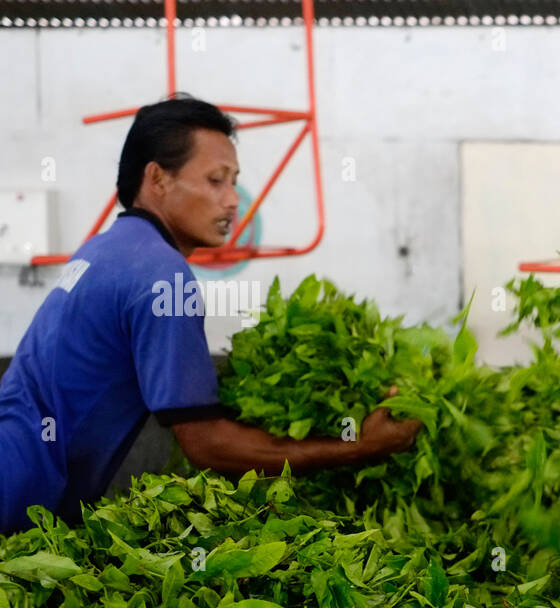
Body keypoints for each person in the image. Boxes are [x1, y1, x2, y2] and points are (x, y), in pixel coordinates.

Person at [0, 95, 420, 535]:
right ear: (158, 178)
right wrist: (357, 447)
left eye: (234, 181)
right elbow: (207, 446)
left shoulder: (104, 249)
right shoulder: (162, 273)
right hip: (21, 496)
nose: (232, 200)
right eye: (215, 180)